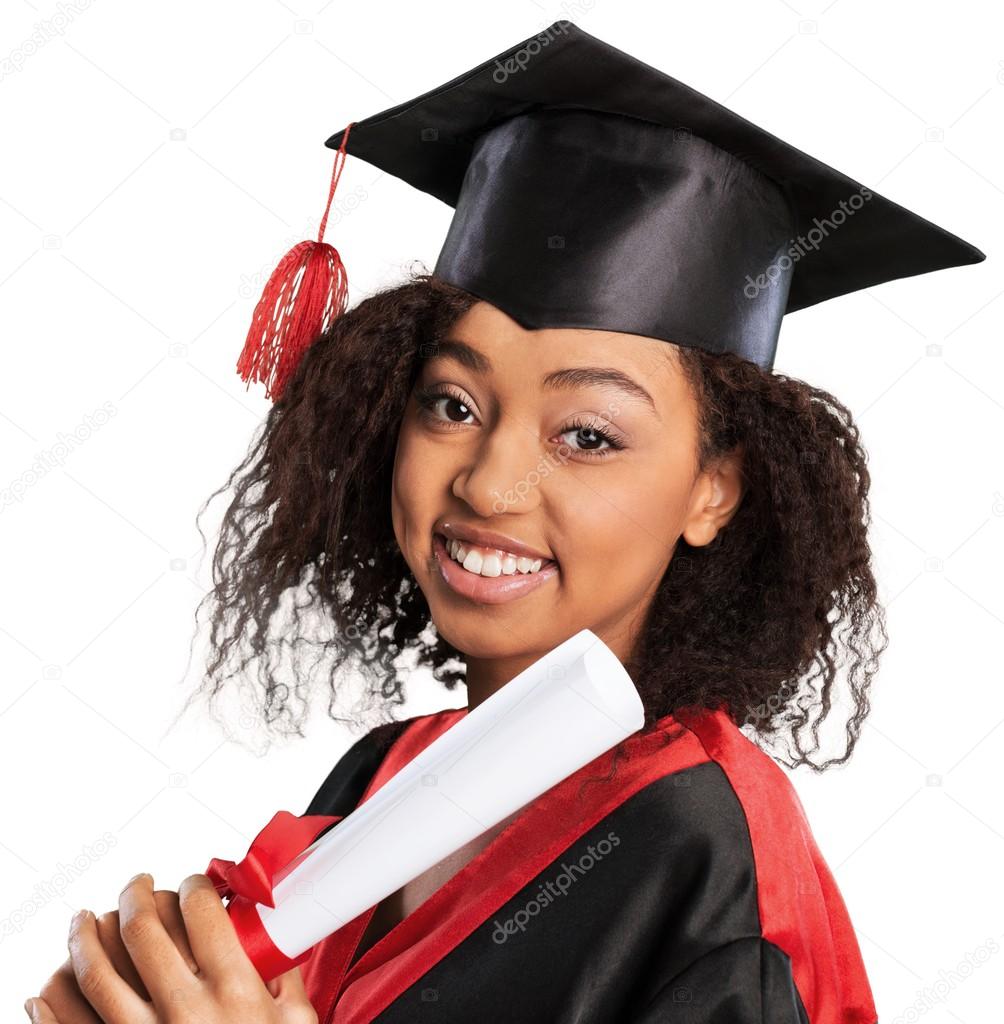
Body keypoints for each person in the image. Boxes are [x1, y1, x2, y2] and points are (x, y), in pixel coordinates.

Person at [27, 19, 985, 1024]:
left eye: (586, 434)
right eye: (451, 405)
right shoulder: (383, 773)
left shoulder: (707, 851)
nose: (488, 486)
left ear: (714, 491)